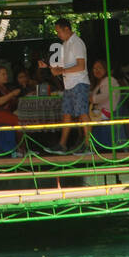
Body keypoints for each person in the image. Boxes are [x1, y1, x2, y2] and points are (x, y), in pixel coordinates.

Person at [39, 17, 90, 154]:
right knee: (66, 113)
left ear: (67, 29)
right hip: (69, 84)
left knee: (82, 113)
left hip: (79, 82)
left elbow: (81, 66)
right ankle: (62, 145)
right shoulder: (65, 44)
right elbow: (62, 65)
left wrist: (61, 71)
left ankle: (88, 145)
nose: (58, 35)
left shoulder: (77, 43)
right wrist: (48, 65)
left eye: (58, 32)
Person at [89, 59, 123, 149]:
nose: (97, 70)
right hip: (102, 110)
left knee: (86, 119)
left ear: (105, 69)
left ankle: (90, 146)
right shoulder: (100, 82)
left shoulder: (109, 80)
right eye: (95, 68)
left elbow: (105, 95)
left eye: (99, 68)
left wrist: (92, 99)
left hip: (108, 111)